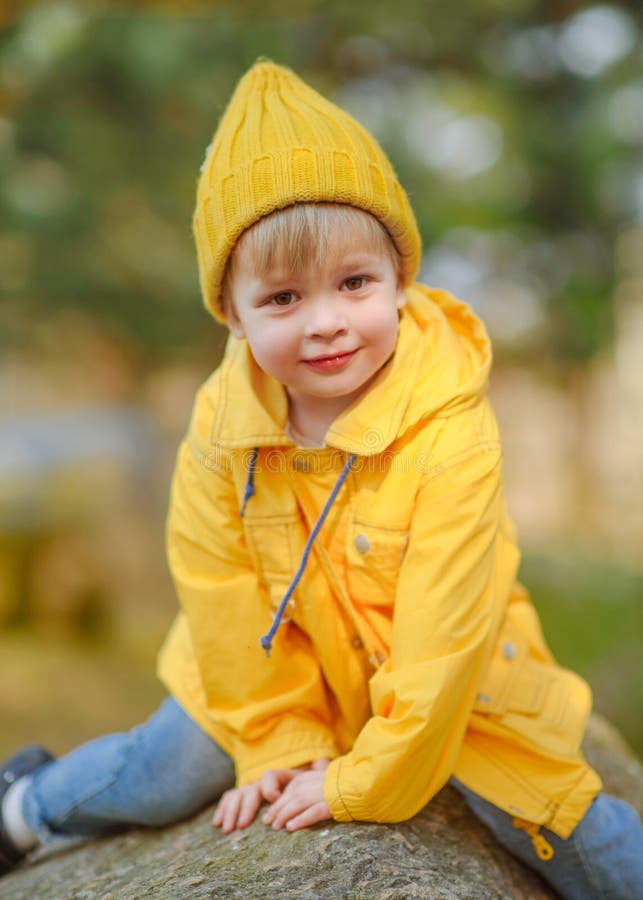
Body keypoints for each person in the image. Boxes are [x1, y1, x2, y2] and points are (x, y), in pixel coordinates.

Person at [1, 61, 642, 899]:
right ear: (232, 314)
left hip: (438, 672)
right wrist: (278, 740)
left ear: (399, 278)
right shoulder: (222, 429)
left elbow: (444, 634)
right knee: (162, 771)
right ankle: (24, 806)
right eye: (282, 299)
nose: (326, 322)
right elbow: (220, 590)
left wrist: (359, 781)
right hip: (272, 667)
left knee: (554, 814)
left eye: (353, 283)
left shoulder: (447, 426)